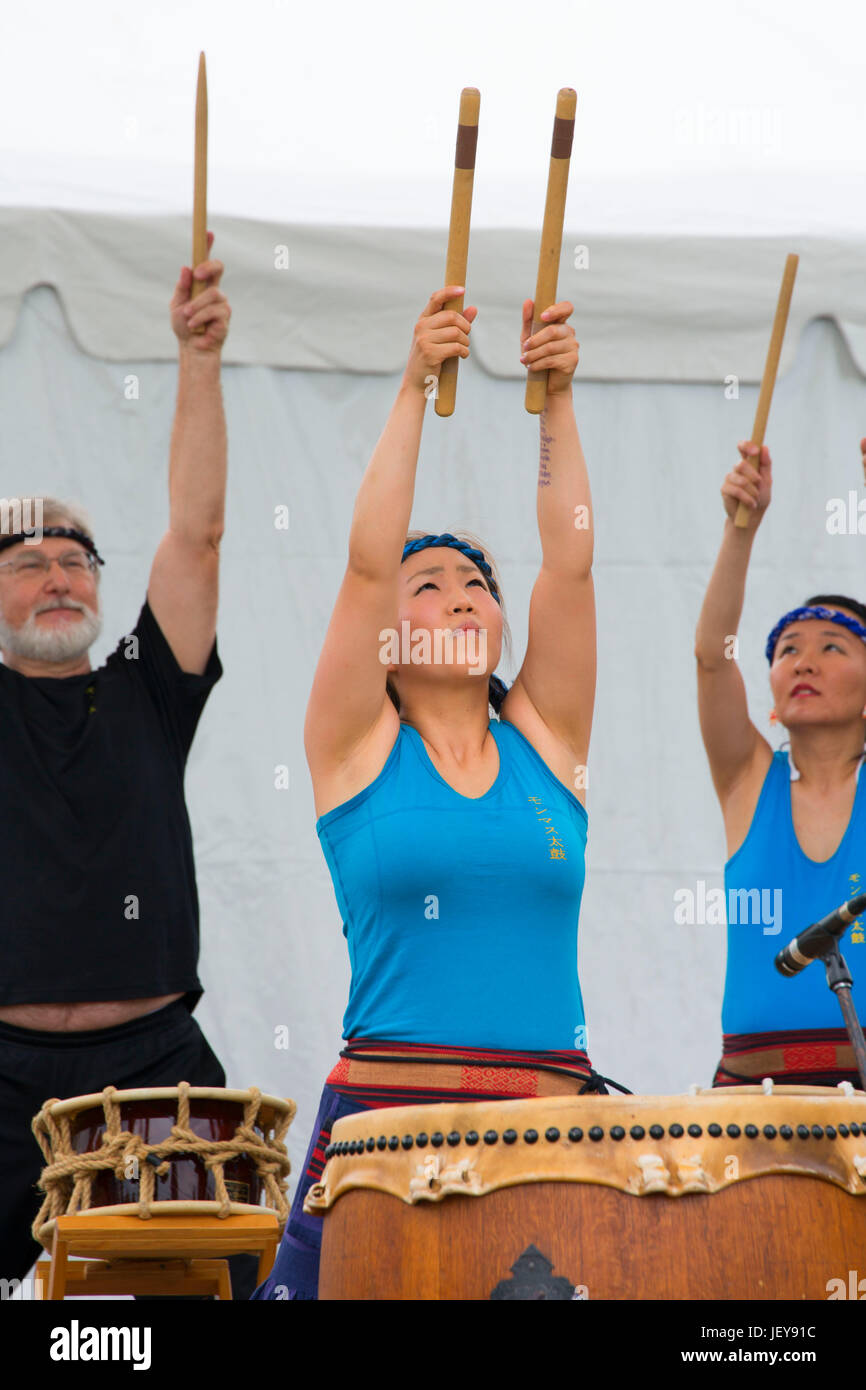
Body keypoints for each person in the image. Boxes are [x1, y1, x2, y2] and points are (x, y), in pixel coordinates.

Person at [253, 283, 619, 1301]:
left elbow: (571, 562)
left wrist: (555, 397)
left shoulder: (547, 739)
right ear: (387, 636)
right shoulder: (353, 745)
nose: (458, 592)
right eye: (431, 585)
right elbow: (370, 558)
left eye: (476, 585)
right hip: (384, 1118)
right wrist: (416, 377)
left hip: (547, 1119)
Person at [0, 237, 258, 1296]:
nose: (57, 573)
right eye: (26, 562)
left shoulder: (148, 684)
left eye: (75, 558)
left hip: (154, 1064)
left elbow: (194, 535)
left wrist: (195, 359)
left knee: (190, 1288)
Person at [695, 439, 866, 1088]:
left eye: (833, 646)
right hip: (752, 1101)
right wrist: (742, 526)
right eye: (788, 648)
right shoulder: (747, 781)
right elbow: (713, 655)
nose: (804, 660)